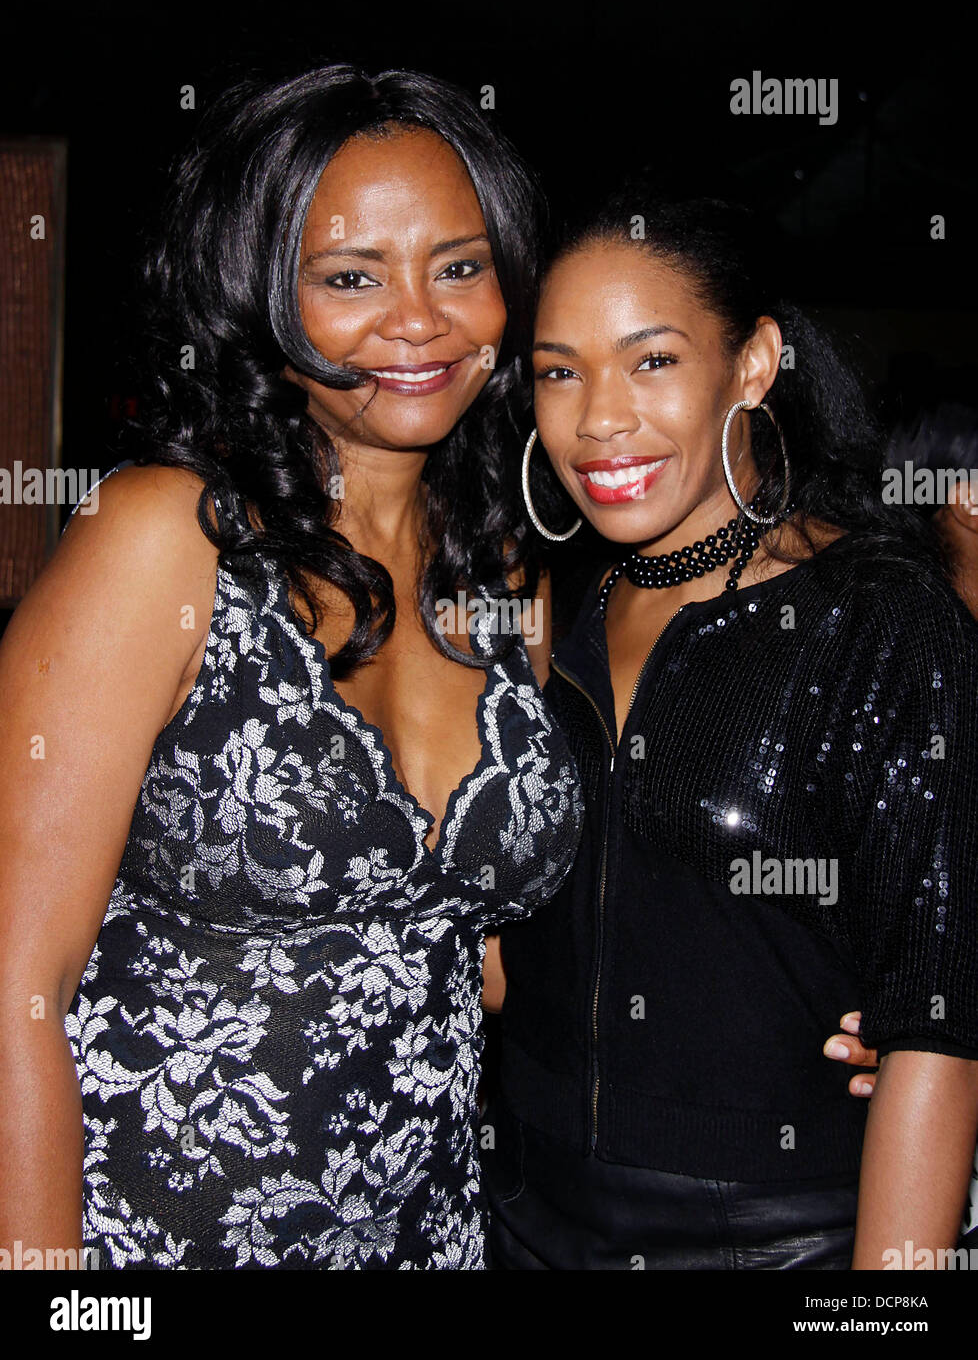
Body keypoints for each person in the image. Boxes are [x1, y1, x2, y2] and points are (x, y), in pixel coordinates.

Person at [0, 64, 583, 1270]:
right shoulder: (165, 538)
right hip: (145, 1248)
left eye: (461, 267)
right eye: (351, 278)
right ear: (262, 298)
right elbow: (17, 981)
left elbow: (492, 959)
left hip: (431, 1235)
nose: (418, 320)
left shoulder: (504, 564)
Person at [485, 193, 978, 1269]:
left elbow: (936, 1025)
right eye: (559, 371)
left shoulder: (877, 617)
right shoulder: (542, 616)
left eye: (651, 360)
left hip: (777, 1240)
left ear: (753, 365)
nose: (597, 418)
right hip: (517, 1219)